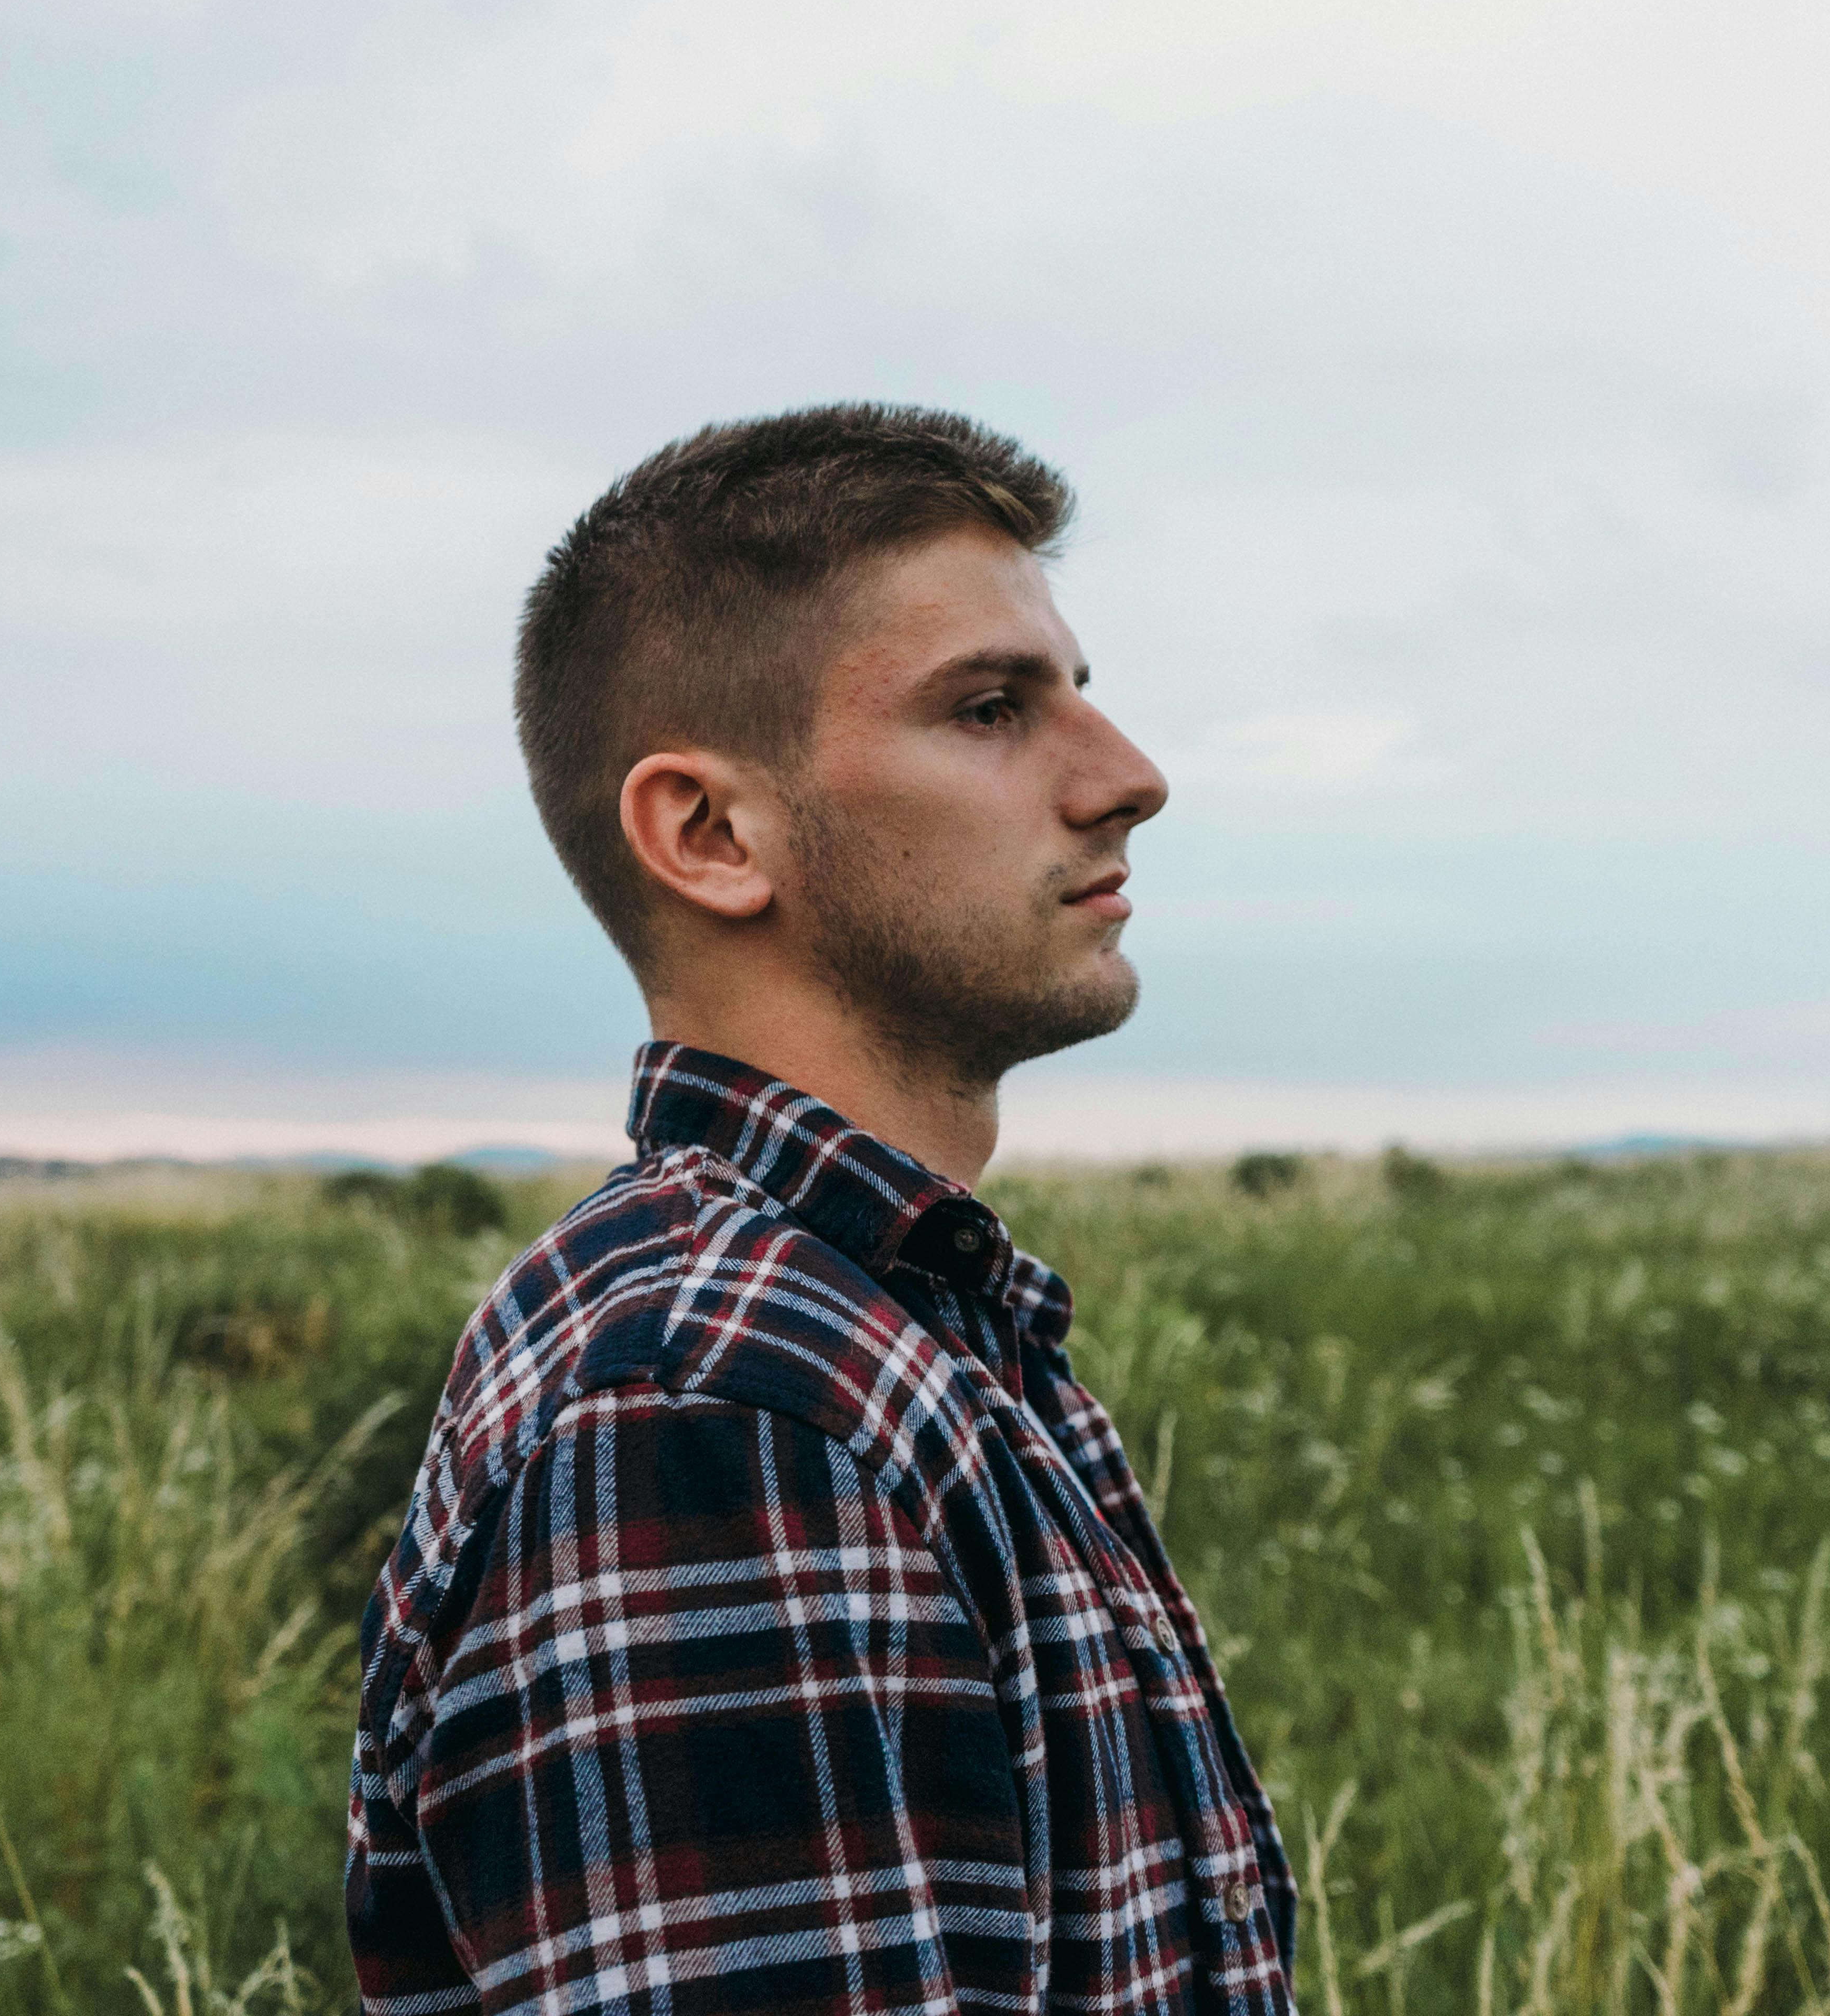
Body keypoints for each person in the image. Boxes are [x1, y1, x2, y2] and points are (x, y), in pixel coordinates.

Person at [345, 404, 1296, 2016]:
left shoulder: (889, 1317)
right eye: (992, 709)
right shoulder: (715, 1405)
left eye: (1082, 691)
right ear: (711, 834)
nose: (1128, 779)